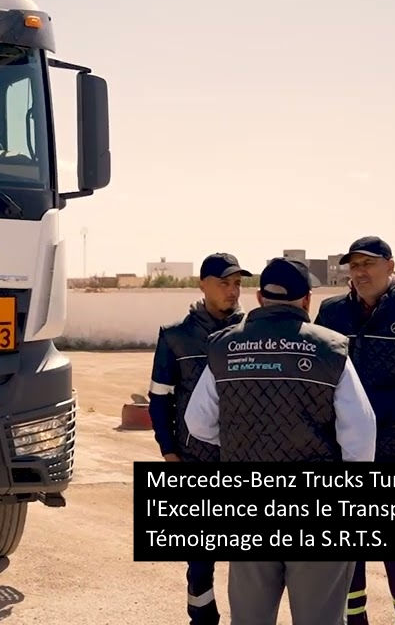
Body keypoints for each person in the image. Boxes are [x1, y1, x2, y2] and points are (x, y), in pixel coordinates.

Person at [184, 257, 376, 625]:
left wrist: (242, 444)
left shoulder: (224, 347)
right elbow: (361, 432)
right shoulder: (331, 348)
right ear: (307, 301)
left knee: (251, 617)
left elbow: (198, 423)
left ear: (259, 298)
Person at [313, 236, 395, 625]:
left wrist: (363, 412)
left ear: (390, 266)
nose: (360, 272)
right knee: (345, 564)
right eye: (353, 265)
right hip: (343, 457)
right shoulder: (331, 312)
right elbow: (318, 374)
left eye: (368, 264)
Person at [147, 253, 251, 625]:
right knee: (202, 551)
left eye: (237, 283)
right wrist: (169, 450)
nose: (233, 290)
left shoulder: (252, 332)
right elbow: (160, 397)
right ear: (202, 285)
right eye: (224, 282)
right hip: (196, 457)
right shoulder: (176, 335)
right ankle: (202, 615)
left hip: (247, 456)